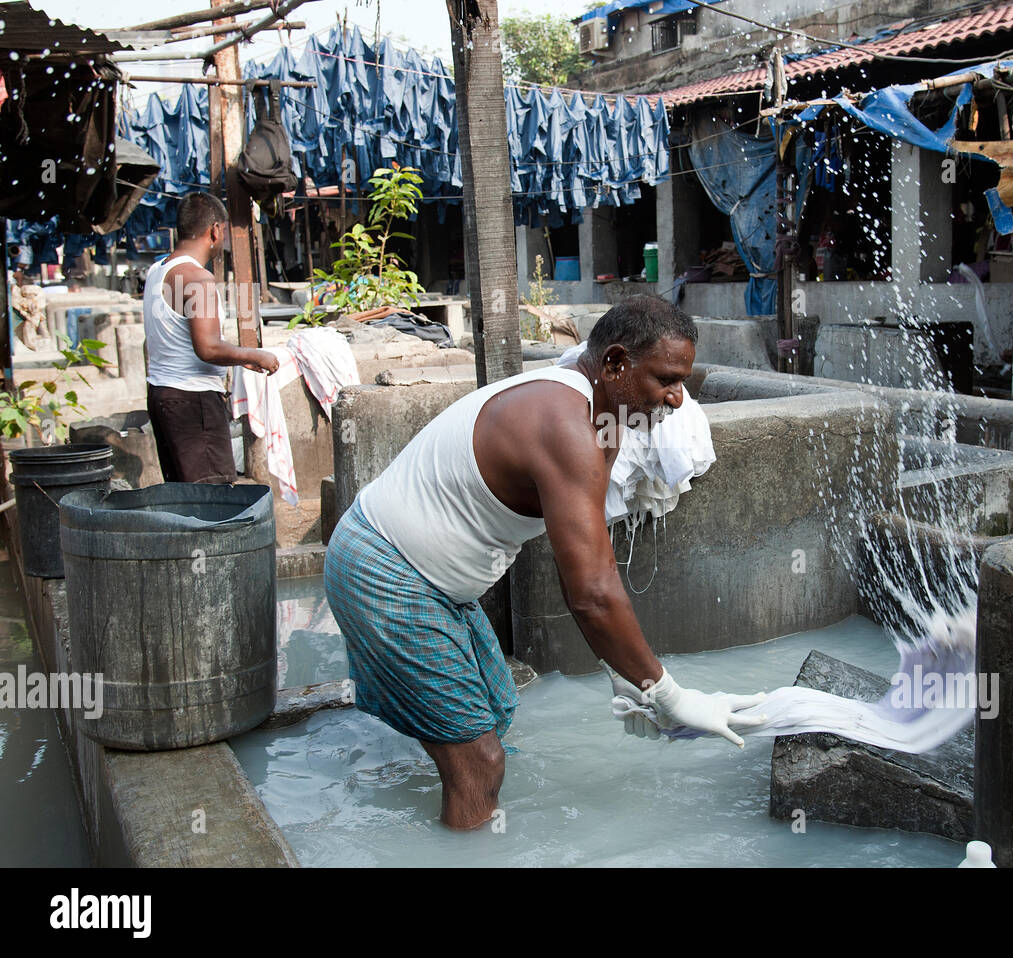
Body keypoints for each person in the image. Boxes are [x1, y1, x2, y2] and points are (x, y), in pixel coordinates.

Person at [323, 295, 765, 829]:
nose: (676, 399)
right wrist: (668, 694)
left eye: (682, 382)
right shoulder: (566, 424)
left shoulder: (603, 413)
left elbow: (579, 562)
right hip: (386, 571)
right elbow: (594, 591)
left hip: (434, 584)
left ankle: (449, 765)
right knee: (481, 760)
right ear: (616, 363)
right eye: (666, 380)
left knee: (496, 709)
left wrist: (621, 675)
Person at [143, 192, 279, 483]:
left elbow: (152, 342)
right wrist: (254, 356)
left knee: (183, 498)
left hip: (161, 395)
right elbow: (207, 347)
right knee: (212, 499)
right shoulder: (197, 279)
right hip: (193, 401)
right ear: (215, 230)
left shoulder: (157, 271)